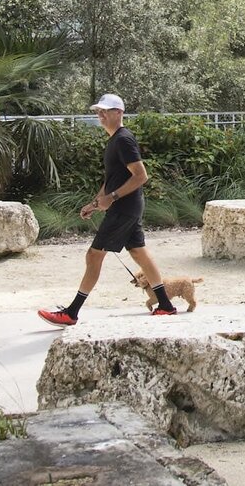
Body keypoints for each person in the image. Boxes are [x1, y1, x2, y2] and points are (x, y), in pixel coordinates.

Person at [39, 93, 177, 325]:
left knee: (94, 255)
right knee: (139, 253)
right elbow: (112, 179)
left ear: (119, 112)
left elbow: (141, 176)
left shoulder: (123, 139)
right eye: (98, 111)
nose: (100, 115)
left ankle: (71, 313)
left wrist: (112, 198)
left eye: (105, 111)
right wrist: (94, 203)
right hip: (128, 206)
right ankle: (165, 305)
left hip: (124, 207)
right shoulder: (114, 140)